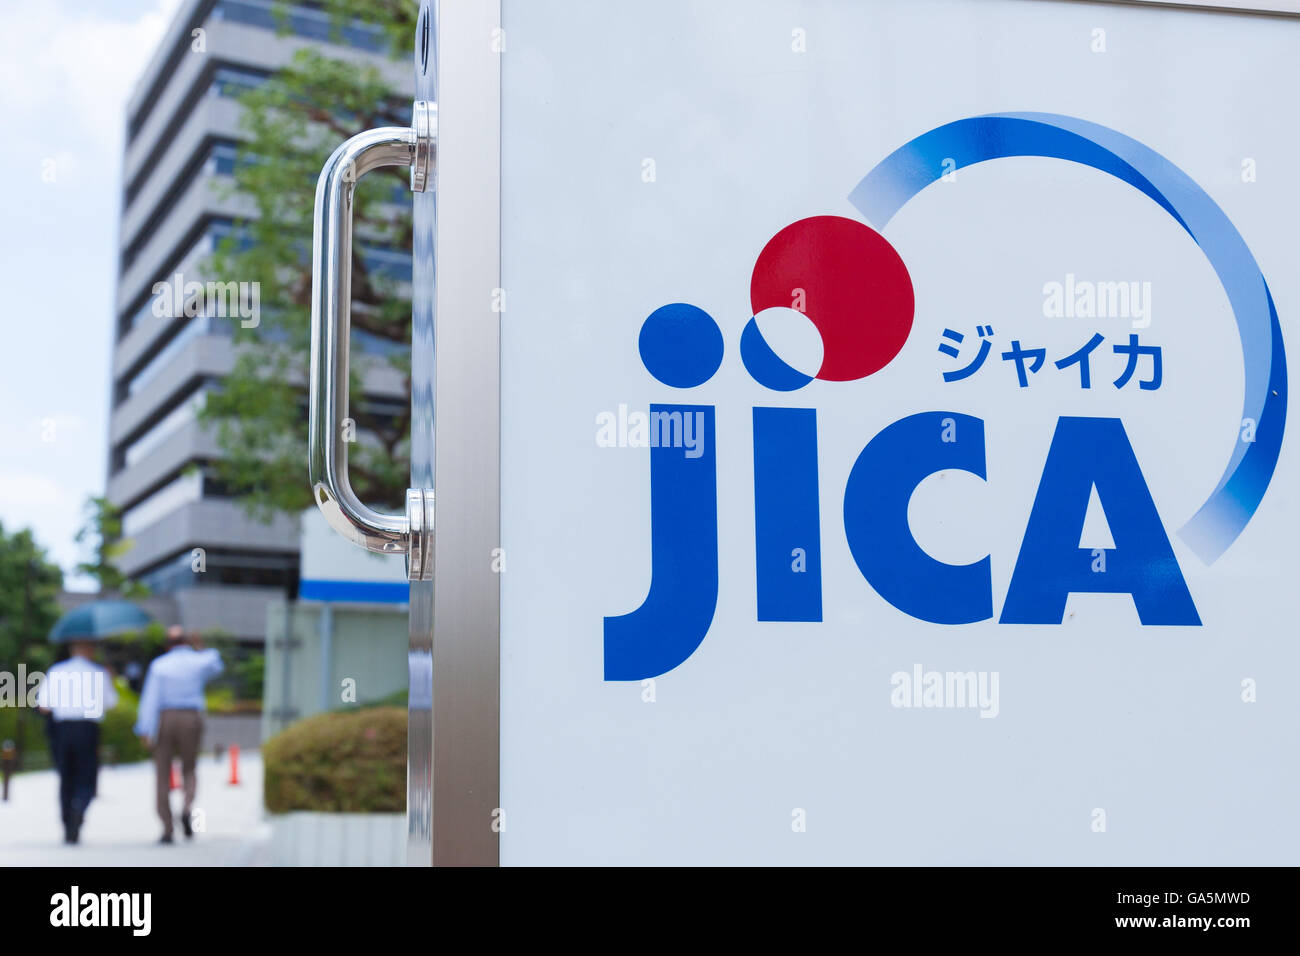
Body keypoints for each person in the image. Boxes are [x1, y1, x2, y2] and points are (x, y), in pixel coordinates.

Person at [134, 627, 223, 844]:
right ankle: (187, 807)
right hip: (191, 717)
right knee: (189, 768)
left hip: (165, 718)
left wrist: (144, 728)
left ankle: (167, 828)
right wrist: (200, 647)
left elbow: (150, 699)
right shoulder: (197, 661)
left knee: (162, 772)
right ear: (187, 642)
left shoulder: (160, 665)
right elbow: (216, 664)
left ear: (167, 645)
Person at [37, 640, 119, 844]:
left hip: (63, 728)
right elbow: (111, 702)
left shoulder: (57, 671)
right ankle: (79, 808)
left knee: (66, 777)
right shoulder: (98, 673)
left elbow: (44, 705)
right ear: (89, 649)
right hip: (87, 728)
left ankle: (67, 822)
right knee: (87, 775)